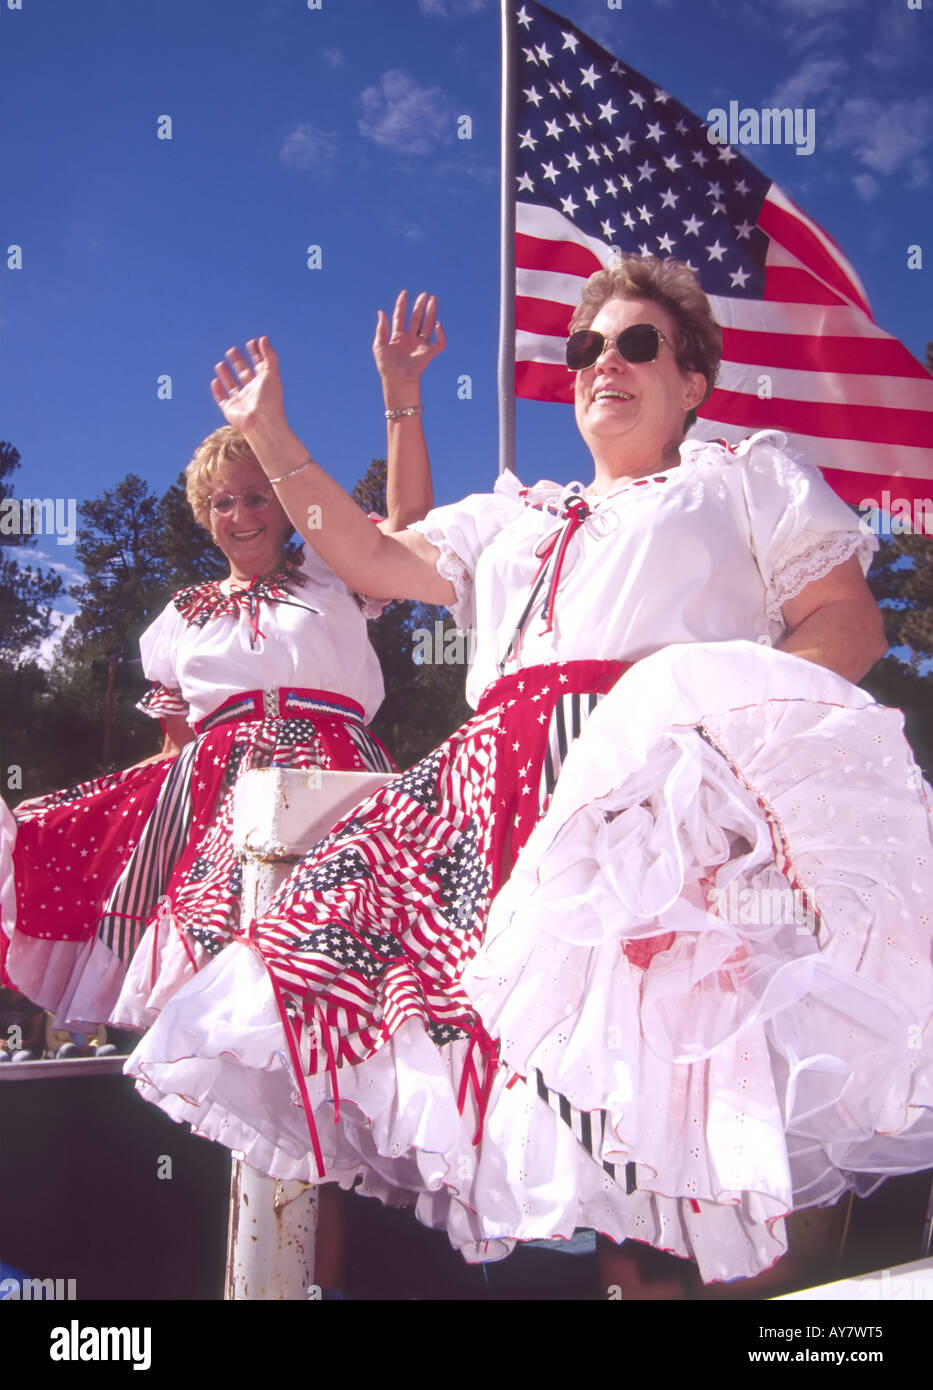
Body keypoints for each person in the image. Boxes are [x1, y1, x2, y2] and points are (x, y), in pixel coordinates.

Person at [127, 257, 933, 1294]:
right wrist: (272, 431)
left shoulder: (743, 478)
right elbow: (368, 558)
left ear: (693, 380)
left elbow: (847, 624)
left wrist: (721, 733)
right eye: (587, 346)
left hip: (659, 804)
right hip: (492, 808)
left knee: (672, 1129)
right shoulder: (511, 517)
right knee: (379, 1023)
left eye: (638, 343)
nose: (606, 361)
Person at [0, 290, 443, 1033]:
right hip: (213, 793)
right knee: (228, 954)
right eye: (221, 504)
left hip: (334, 776)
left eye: (257, 498)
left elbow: (407, 530)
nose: (240, 518)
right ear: (204, 516)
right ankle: (242, 1138)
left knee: (339, 943)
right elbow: (173, 747)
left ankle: (334, 1134)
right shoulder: (176, 618)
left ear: (283, 503)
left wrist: (402, 393)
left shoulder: (332, 572)